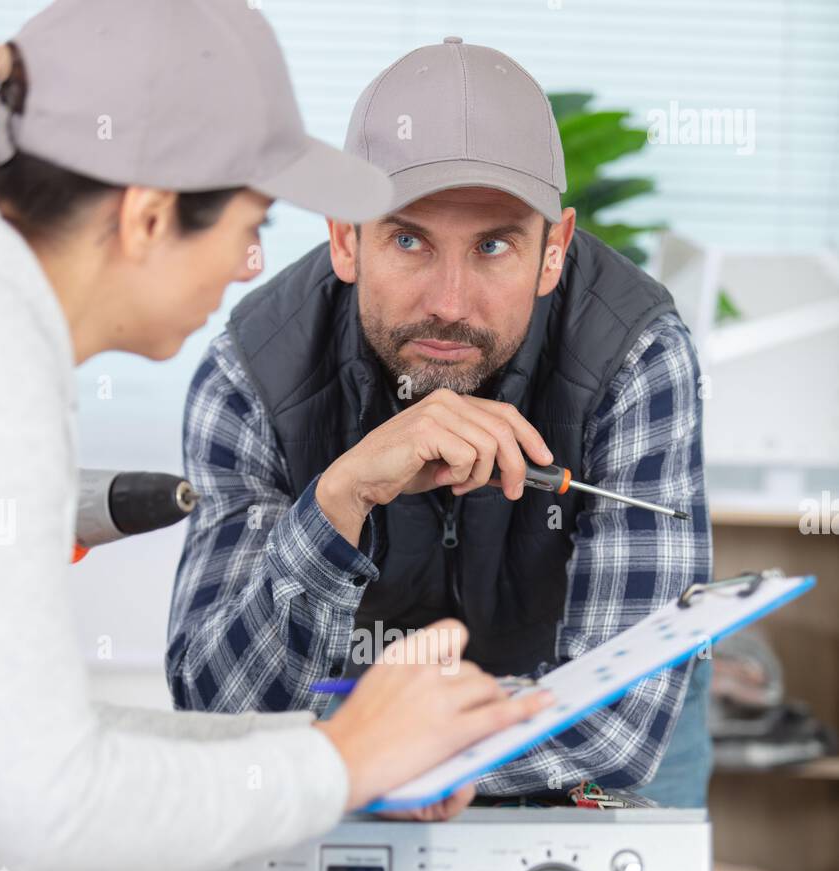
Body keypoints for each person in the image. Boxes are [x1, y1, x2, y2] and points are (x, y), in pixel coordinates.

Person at [0, 3, 555, 871]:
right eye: (250, 226)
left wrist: (367, 745)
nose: (253, 267)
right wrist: (345, 762)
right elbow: (50, 807)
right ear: (147, 217)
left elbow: (33, 748)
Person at [167, 37, 714, 809]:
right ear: (344, 238)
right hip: (365, 723)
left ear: (554, 250)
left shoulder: (637, 356)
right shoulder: (251, 374)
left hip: (570, 738)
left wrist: (395, 759)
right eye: (409, 239)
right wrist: (336, 502)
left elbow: (617, 730)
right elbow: (216, 718)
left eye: (494, 246)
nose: (450, 304)